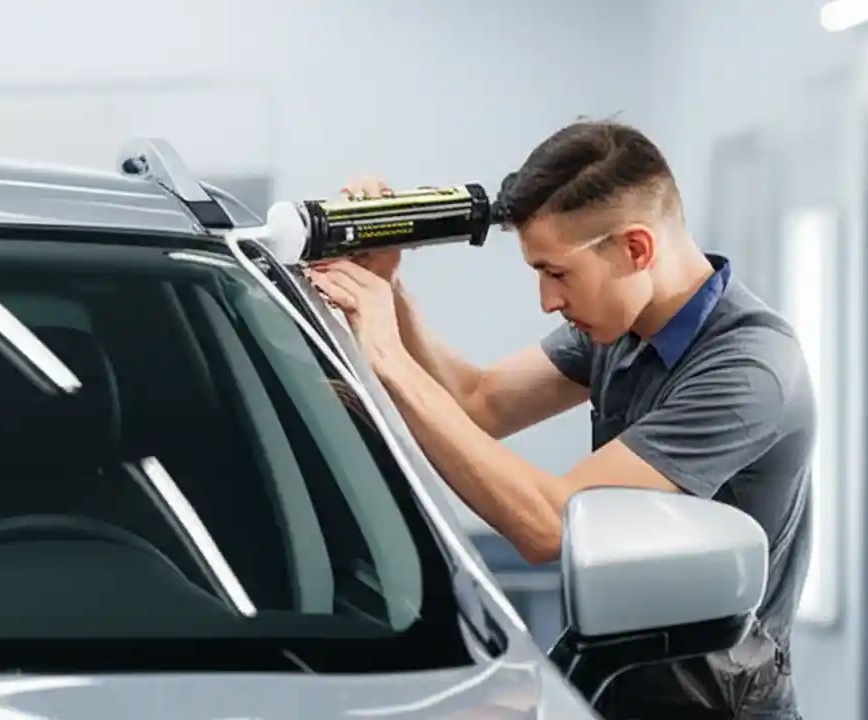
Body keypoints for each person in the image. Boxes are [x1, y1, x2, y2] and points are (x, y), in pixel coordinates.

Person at [305, 119, 814, 719]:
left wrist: (385, 354)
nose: (547, 301)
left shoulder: (748, 369)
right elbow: (480, 403)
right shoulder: (623, 328)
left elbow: (551, 525)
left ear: (636, 249)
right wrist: (388, 288)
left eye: (557, 273)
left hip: (716, 708)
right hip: (621, 683)